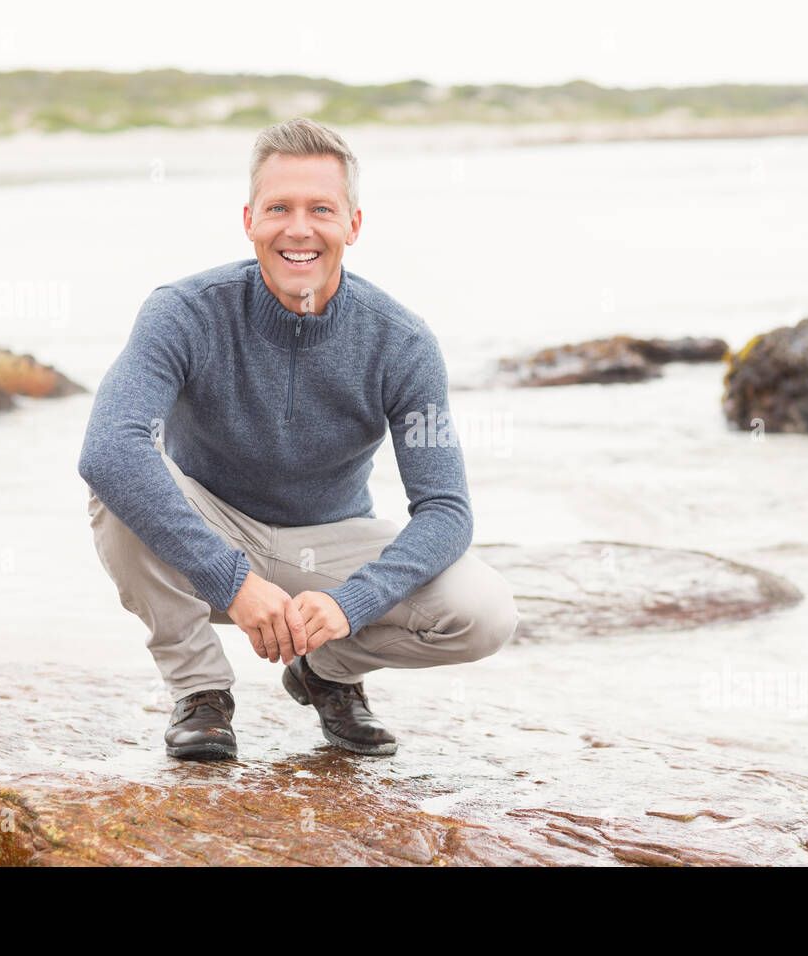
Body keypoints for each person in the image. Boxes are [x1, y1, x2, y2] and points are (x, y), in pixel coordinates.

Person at [78, 117, 519, 760]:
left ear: (354, 225)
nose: (299, 229)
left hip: (333, 544)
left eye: (321, 209)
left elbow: (447, 512)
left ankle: (328, 671)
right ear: (250, 219)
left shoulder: (403, 342)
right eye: (279, 207)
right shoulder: (183, 311)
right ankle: (200, 692)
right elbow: (108, 449)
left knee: (485, 613)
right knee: (119, 480)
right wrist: (233, 581)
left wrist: (351, 604)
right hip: (214, 533)